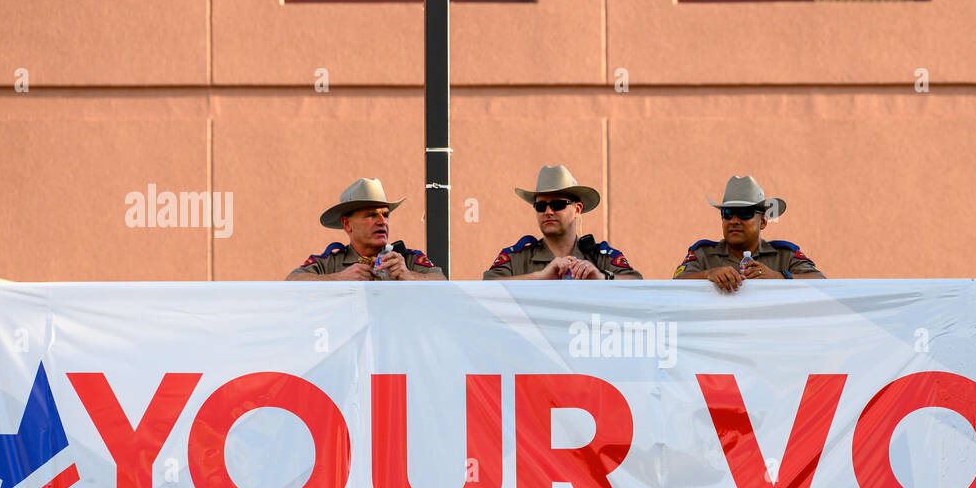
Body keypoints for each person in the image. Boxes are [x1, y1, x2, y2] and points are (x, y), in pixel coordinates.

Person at [482, 165, 641, 280]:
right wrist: (540, 277)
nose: (548, 212)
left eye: (558, 205)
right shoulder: (516, 258)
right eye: (541, 206)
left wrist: (601, 278)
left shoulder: (601, 257)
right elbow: (485, 288)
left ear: (577, 209)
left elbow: (638, 285)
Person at [673, 175, 824, 292]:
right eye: (727, 213)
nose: (733, 221)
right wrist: (707, 274)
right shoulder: (703, 253)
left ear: (763, 222)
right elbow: (674, 284)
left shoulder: (785, 254)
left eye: (744, 213)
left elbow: (822, 282)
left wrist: (778, 277)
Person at [286, 178, 443, 281]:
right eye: (371, 215)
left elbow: (442, 282)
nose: (382, 221)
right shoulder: (330, 263)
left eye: (385, 215)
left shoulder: (406, 260)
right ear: (347, 224)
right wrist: (338, 279)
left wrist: (409, 276)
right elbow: (291, 282)